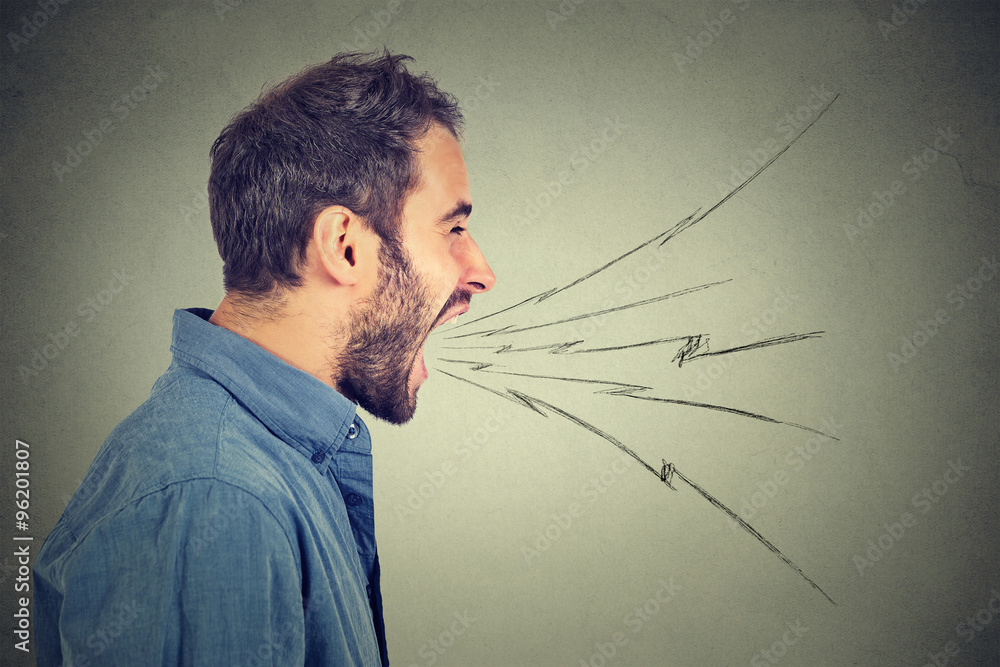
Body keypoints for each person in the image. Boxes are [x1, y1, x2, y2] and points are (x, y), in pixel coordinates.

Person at [33, 51, 495, 666]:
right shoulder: (217, 501)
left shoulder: (264, 466)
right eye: (453, 230)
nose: (481, 274)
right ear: (346, 247)